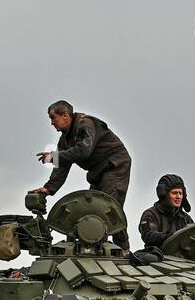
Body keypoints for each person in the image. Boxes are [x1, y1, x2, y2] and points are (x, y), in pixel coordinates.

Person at [30, 100, 133, 251]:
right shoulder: (64, 139)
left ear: (65, 116)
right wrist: (49, 188)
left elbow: (83, 151)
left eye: (53, 118)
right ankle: (93, 252)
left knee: (108, 210)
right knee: (92, 209)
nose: (52, 123)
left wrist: (54, 156)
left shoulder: (85, 123)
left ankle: (124, 251)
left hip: (115, 165)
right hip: (98, 171)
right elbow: (61, 167)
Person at [138, 174, 194, 249]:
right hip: (158, 256)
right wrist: (169, 236)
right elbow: (148, 235)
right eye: (174, 193)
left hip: (182, 257)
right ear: (164, 195)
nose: (178, 197)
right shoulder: (151, 214)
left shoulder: (185, 218)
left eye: (180, 193)